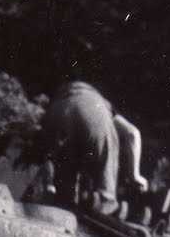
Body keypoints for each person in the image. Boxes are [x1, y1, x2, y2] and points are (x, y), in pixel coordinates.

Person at [39, 79, 145, 215]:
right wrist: (135, 175)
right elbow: (132, 133)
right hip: (92, 114)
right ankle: (105, 200)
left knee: (65, 195)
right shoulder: (103, 104)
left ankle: (63, 201)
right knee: (106, 199)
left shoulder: (65, 95)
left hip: (58, 109)